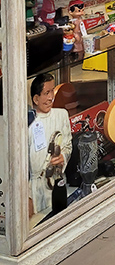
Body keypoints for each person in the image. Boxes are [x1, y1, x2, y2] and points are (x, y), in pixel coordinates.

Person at [29, 72, 72, 220]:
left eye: (52, 91)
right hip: (34, 191)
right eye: (46, 93)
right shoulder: (28, 124)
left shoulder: (61, 115)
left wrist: (62, 157)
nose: (50, 97)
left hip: (57, 185)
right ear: (36, 98)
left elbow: (68, 146)